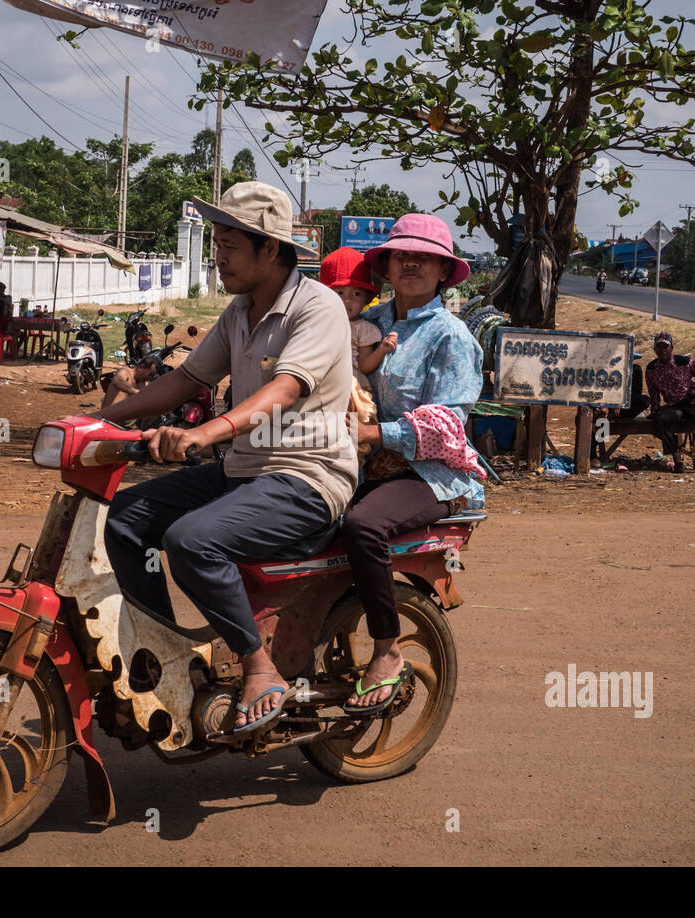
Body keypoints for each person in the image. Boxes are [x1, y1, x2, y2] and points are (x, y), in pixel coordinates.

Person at [99, 181, 358, 736]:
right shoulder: (239, 312)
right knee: (121, 518)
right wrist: (106, 421)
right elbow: (189, 378)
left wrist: (205, 433)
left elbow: (284, 390)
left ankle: (259, 667)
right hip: (244, 472)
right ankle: (161, 658)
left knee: (190, 540)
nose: (218, 258)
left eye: (229, 246)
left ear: (270, 249)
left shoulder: (320, 308)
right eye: (215, 244)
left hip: (308, 479)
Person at [344, 214, 486, 715]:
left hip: (430, 472)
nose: (410, 263)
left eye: (423, 257)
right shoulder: (369, 320)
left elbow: (447, 422)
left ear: (444, 271)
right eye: (401, 255)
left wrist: (374, 432)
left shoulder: (452, 336)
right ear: (384, 265)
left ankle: (385, 649)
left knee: (362, 525)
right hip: (360, 463)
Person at [646, 331, 695, 475]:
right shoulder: (652, 369)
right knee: (661, 419)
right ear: (654, 350)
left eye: (666, 347)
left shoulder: (683, 361)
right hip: (673, 405)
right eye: (659, 347)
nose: (663, 350)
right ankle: (677, 458)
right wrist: (655, 410)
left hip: (692, 400)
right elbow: (653, 393)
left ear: (671, 348)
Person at [320, 246, 386, 388]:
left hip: (352, 391)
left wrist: (382, 350)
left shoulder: (363, 329)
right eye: (339, 293)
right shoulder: (316, 323)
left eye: (356, 294)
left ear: (366, 299)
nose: (347, 300)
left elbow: (364, 366)